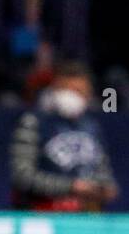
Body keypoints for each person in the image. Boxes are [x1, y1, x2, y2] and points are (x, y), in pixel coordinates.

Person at [9, 60, 117, 211]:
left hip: (86, 214)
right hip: (42, 213)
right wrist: (71, 186)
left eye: (79, 91)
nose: (72, 97)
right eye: (67, 90)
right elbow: (22, 176)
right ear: (54, 90)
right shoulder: (34, 123)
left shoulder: (92, 127)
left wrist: (106, 188)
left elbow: (103, 171)